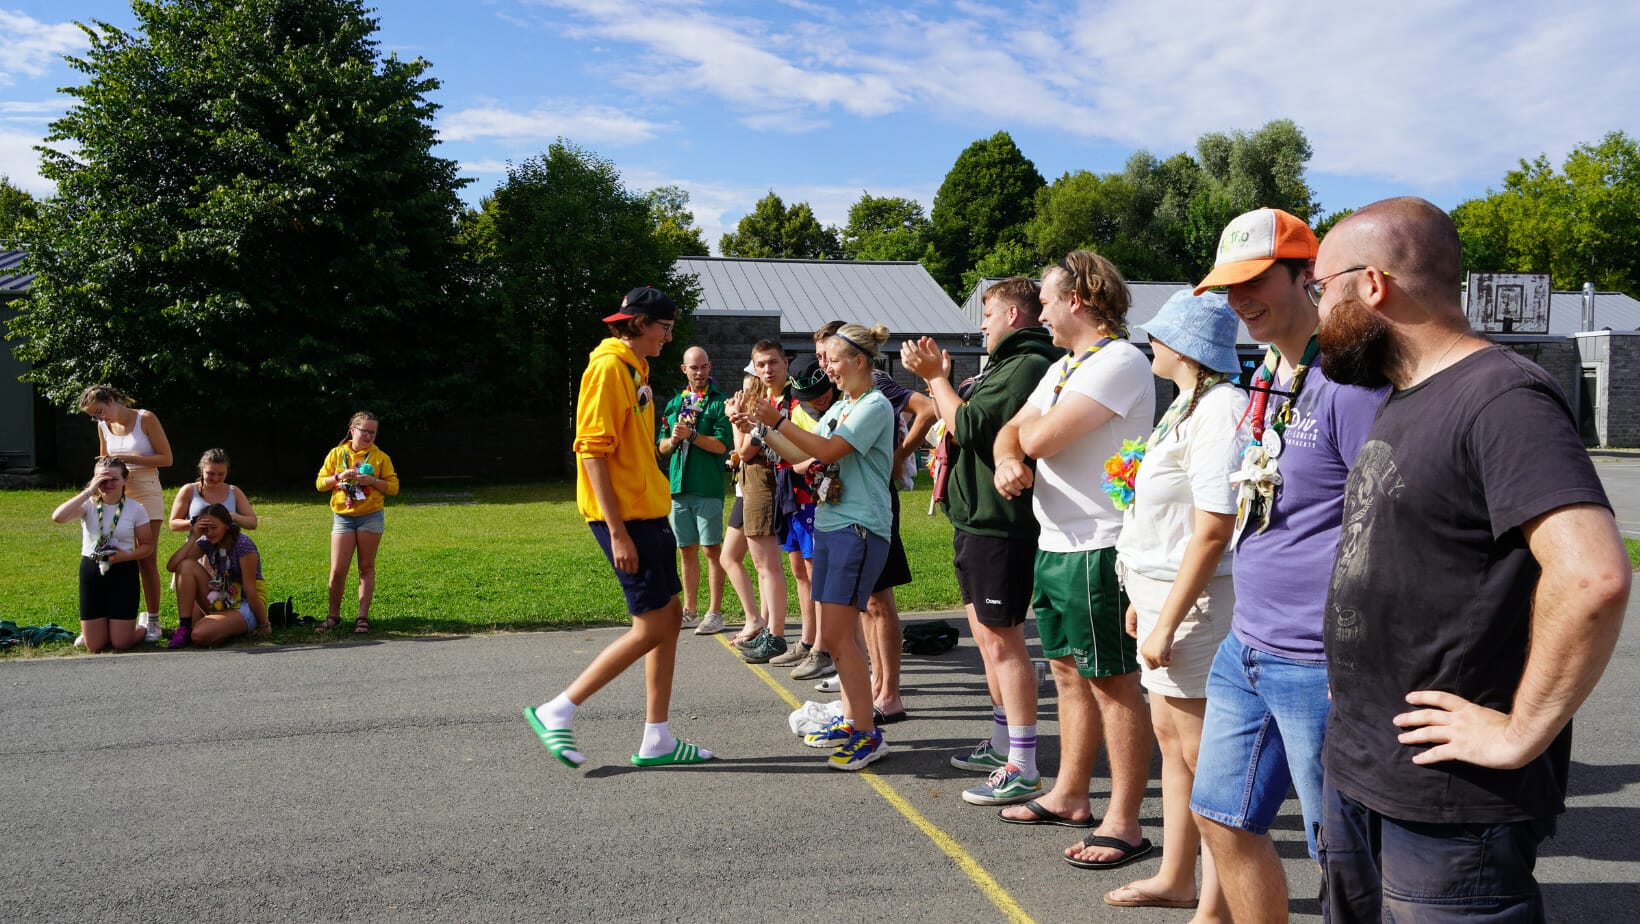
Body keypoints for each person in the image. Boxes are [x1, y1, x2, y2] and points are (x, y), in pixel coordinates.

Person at [1312, 198, 1630, 921]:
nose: (1318, 308)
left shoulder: (1502, 395)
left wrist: (1519, 733)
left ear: (1372, 285)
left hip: (1448, 801)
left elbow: (1592, 576)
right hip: (1363, 764)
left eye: (1321, 288)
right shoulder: (1405, 396)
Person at [1185, 207, 1384, 924]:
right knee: (1220, 817)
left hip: (1321, 661)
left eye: (1255, 281)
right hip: (1248, 646)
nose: (1239, 300)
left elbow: (1385, 524)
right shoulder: (1268, 371)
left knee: (1343, 855)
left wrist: (1358, 656)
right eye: (1229, 287)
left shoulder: (1351, 382)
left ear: (1307, 278)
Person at [992, 252, 1157, 871]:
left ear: (1078, 299)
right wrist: (1008, 455)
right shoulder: (1067, 365)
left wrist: (1021, 445)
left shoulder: (1119, 360)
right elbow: (1010, 431)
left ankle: (1125, 821)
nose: (1039, 314)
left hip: (1100, 544)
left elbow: (1037, 437)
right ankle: (1070, 795)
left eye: (1046, 301)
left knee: (1113, 682)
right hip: (1057, 541)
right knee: (1066, 673)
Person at [524, 286, 715, 769]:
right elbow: (591, 452)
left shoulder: (635, 369)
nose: (668, 338)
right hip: (626, 519)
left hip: (648, 512)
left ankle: (658, 738)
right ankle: (557, 710)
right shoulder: (609, 368)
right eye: (664, 329)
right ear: (640, 324)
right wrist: (617, 532)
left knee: (670, 617)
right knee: (653, 625)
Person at [1105, 291, 1247, 915]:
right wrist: (1144, 597)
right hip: (1164, 595)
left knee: (1204, 756)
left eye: (1158, 336)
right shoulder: (1185, 405)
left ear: (1185, 347)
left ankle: (1216, 904)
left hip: (1197, 606)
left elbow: (1214, 529)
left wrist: (1167, 617)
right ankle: (1175, 876)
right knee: (1171, 739)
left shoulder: (1221, 409)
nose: (1149, 345)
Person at [900, 277, 1059, 806]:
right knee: (989, 641)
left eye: (988, 315)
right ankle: (1001, 743)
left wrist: (935, 379)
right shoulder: (1005, 364)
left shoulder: (1028, 365)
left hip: (1002, 524)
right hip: (977, 521)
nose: (982, 326)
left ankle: (1024, 764)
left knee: (1004, 643)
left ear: (1013, 315)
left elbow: (969, 425)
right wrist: (943, 387)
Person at [738, 323, 897, 771]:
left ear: (860, 361)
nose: (826, 367)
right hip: (832, 526)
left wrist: (777, 421)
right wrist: (761, 430)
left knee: (840, 637)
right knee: (838, 636)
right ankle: (852, 720)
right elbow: (802, 457)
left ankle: (867, 734)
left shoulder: (875, 405)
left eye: (834, 359)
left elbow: (827, 452)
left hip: (857, 529)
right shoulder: (843, 406)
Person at [80, 385, 173, 642]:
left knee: (146, 557)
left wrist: (127, 457)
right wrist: (95, 489)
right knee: (106, 551)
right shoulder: (103, 426)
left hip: (146, 490)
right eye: (94, 416)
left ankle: (153, 620)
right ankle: (98, 621)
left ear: (112, 399)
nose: (100, 418)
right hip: (115, 490)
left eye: (100, 411)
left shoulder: (145, 418)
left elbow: (166, 459)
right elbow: (103, 463)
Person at [767, 354, 837, 679]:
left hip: (818, 496)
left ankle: (824, 647)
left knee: (815, 570)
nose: (818, 399)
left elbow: (823, 451)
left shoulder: (838, 408)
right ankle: (808, 640)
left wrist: (802, 462)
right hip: (792, 493)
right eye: (810, 396)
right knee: (799, 569)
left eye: (822, 392)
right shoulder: (793, 409)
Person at [657, 346, 732, 636]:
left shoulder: (719, 402)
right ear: (684, 370)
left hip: (707, 487)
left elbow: (722, 446)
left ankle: (715, 613)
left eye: (703, 367)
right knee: (686, 549)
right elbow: (661, 447)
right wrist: (674, 440)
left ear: (710, 367)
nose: (699, 373)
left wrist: (693, 435)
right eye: (693, 368)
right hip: (679, 488)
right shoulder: (675, 403)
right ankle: (689, 611)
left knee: (711, 550)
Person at [727, 340, 792, 663]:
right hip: (755, 484)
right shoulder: (767, 401)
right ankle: (767, 629)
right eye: (760, 366)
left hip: (763, 486)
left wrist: (734, 419)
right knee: (763, 566)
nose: (766, 371)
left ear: (785, 363)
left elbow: (744, 450)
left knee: (769, 567)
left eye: (772, 363)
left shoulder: (774, 404)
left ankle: (775, 635)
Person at [51, 457, 154, 653]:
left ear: (125, 480)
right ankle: (99, 630)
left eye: (114, 479)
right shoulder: (88, 505)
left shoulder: (136, 508)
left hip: (123, 569)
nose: (107, 484)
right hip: (92, 568)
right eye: (102, 479)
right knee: (95, 646)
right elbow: (58, 517)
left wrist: (126, 556)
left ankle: (142, 626)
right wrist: (89, 491)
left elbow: (147, 546)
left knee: (121, 643)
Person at [314, 411, 400, 634]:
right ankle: (333, 616)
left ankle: (362, 617)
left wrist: (373, 481)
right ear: (352, 430)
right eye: (365, 431)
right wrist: (339, 477)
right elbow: (320, 484)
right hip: (343, 517)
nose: (369, 436)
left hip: (370, 516)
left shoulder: (380, 457)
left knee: (366, 567)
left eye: (373, 432)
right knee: (337, 570)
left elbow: (394, 488)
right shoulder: (337, 454)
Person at [166, 502, 270, 647]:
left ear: (226, 525)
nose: (209, 533)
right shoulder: (205, 541)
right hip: (221, 597)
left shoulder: (243, 544)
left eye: (214, 528)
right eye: (205, 529)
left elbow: (250, 589)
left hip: (245, 603)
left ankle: (219, 628)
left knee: (199, 635)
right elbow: (172, 566)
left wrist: (264, 624)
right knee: (186, 565)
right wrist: (194, 536)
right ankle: (184, 627)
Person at [168, 448, 259, 533]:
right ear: (201, 469)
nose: (215, 478)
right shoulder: (189, 490)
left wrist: (233, 516)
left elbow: (253, 523)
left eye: (221, 474)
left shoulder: (234, 491)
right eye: (210, 473)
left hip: (229, 543)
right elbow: (173, 524)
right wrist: (194, 522)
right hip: (197, 543)